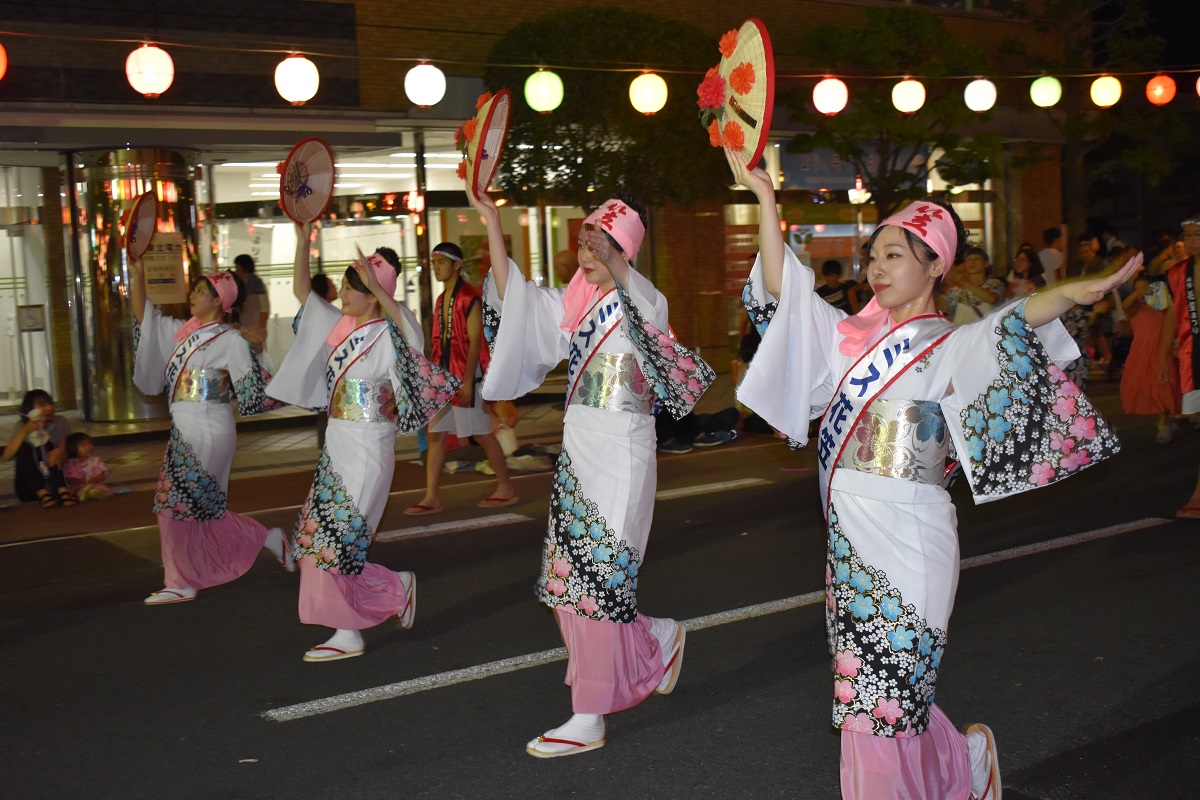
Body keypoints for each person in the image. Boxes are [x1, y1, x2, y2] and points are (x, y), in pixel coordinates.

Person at [726, 147, 1133, 800]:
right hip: (850, 548)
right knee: (886, 697)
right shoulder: (848, 339)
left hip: (912, 545)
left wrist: (1070, 293)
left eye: (894, 254)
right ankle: (964, 764)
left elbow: (1011, 327)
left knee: (876, 708)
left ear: (935, 263)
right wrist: (765, 200)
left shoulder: (952, 344)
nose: (876, 266)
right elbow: (785, 291)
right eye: (873, 254)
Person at [475, 187, 715, 758]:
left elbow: (641, 308)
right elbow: (516, 305)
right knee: (567, 581)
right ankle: (652, 638)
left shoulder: (644, 300)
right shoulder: (579, 301)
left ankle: (590, 713)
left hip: (622, 454)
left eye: (602, 242)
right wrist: (490, 219)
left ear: (625, 250)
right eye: (584, 239)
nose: (587, 251)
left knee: (594, 585)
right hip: (581, 450)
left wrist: (615, 264)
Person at [268, 228, 458, 661]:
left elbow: (409, 332)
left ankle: (348, 631)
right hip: (338, 445)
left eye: (351, 288)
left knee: (337, 541)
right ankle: (394, 588)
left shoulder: (395, 331)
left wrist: (378, 289)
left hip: (370, 445)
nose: (340, 293)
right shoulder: (342, 327)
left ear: (373, 294)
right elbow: (302, 289)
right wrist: (302, 238)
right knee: (315, 539)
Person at [131, 264, 289, 605]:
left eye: (201, 292)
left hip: (208, 426)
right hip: (187, 425)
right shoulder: (180, 332)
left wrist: (256, 349)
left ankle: (180, 580)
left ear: (220, 301)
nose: (192, 295)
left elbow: (255, 384)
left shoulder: (231, 339)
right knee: (201, 509)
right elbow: (145, 314)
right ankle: (266, 538)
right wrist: (136, 273)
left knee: (172, 503)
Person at [406, 242, 515, 515]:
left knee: (482, 434)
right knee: (435, 435)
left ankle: (506, 487)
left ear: (457, 265)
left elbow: (475, 341)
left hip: (466, 375)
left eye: (441, 262)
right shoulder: (442, 299)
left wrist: (467, 381)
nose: (436, 267)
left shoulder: (469, 298)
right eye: (434, 263)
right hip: (444, 378)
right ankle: (432, 495)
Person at [1160, 214, 1200, 517]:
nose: (1191, 241)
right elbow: (1173, 314)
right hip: (1193, 351)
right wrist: (1163, 356)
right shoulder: (1178, 272)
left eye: (1196, 234)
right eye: (1187, 235)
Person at [1120, 263, 1179, 442]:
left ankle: (1163, 423)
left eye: (1145, 287)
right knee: (1149, 389)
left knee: (1162, 388)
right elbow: (1124, 306)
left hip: (1159, 351)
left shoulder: (1161, 307)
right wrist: (1136, 294)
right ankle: (1165, 421)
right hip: (1141, 354)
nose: (1141, 291)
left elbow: (1166, 310)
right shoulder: (1136, 310)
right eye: (1137, 288)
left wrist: (1151, 296)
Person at [3, 389, 73, 507]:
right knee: (23, 448)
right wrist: (24, 431)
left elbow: (67, 452)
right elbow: (7, 455)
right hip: (30, 487)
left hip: (54, 480)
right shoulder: (21, 426)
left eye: (50, 403)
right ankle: (42, 493)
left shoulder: (59, 422)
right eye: (42, 405)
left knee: (49, 446)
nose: (48, 408)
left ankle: (61, 491)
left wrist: (59, 452)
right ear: (30, 409)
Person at [233, 254, 270, 356]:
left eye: (237, 267)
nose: (236, 270)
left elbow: (264, 309)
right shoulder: (236, 283)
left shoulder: (257, 284)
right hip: (241, 327)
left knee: (254, 355)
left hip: (254, 326)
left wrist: (261, 328)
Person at [63, 432, 114, 501]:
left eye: (90, 443)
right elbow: (70, 479)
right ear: (73, 448)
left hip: (94, 484)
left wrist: (97, 478)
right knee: (77, 490)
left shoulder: (95, 460)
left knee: (99, 489)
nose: (88, 447)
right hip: (79, 485)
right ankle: (83, 494)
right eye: (83, 445)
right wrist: (83, 481)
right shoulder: (72, 463)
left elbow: (103, 473)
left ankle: (94, 494)